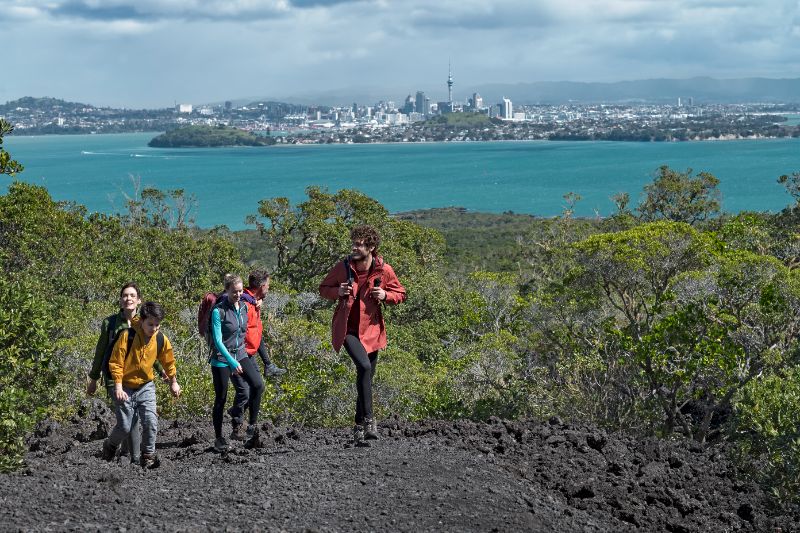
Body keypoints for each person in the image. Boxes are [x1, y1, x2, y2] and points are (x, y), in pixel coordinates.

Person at [319, 225, 406, 445]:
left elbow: (401, 293)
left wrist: (386, 294)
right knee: (364, 368)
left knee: (365, 377)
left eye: (359, 244)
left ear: (371, 247)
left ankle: (358, 428)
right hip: (347, 330)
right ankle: (369, 421)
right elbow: (323, 288)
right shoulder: (344, 267)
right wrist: (337, 291)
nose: (354, 247)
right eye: (354, 243)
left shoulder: (384, 270)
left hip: (372, 332)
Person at [87, 282, 165, 464]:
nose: (128, 298)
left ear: (139, 300)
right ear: (121, 301)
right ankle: (131, 456)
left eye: (132, 295)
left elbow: (148, 353)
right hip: (115, 378)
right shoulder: (111, 322)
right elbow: (101, 351)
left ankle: (129, 455)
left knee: (135, 417)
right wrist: (93, 378)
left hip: (139, 379)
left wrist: (162, 372)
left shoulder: (146, 321)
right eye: (125, 295)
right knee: (129, 419)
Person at [101, 301, 180, 468]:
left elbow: (168, 361)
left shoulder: (160, 339)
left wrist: (173, 382)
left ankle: (148, 455)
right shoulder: (127, 336)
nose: (154, 328)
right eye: (150, 324)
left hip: (146, 385)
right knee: (125, 427)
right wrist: (118, 386)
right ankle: (110, 445)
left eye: (157, 325)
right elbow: (116, 362)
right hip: (125, 386)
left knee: (151, 421)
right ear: (142, 321)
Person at [209, 274, 264, 451]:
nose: (238, 294)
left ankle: (251, 426)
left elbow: (245, 332)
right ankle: (219, 438)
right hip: (221, 359)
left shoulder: (244, 308)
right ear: (226, 291)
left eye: (240, 291)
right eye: (234, 292)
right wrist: (232, 363)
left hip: (240, 353)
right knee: (221, 398)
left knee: (257, 385)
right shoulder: (218, 311)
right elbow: (218, 341)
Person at [242, 270, 285, 378]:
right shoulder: (245, 303)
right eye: (268, 285)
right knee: (252, 388)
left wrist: (260, 300)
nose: (269, 288)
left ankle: (268, 365)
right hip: (242, 354)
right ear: (262, 286)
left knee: (257, 387)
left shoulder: (252, 299)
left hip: (248, 353)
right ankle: (268, 365)